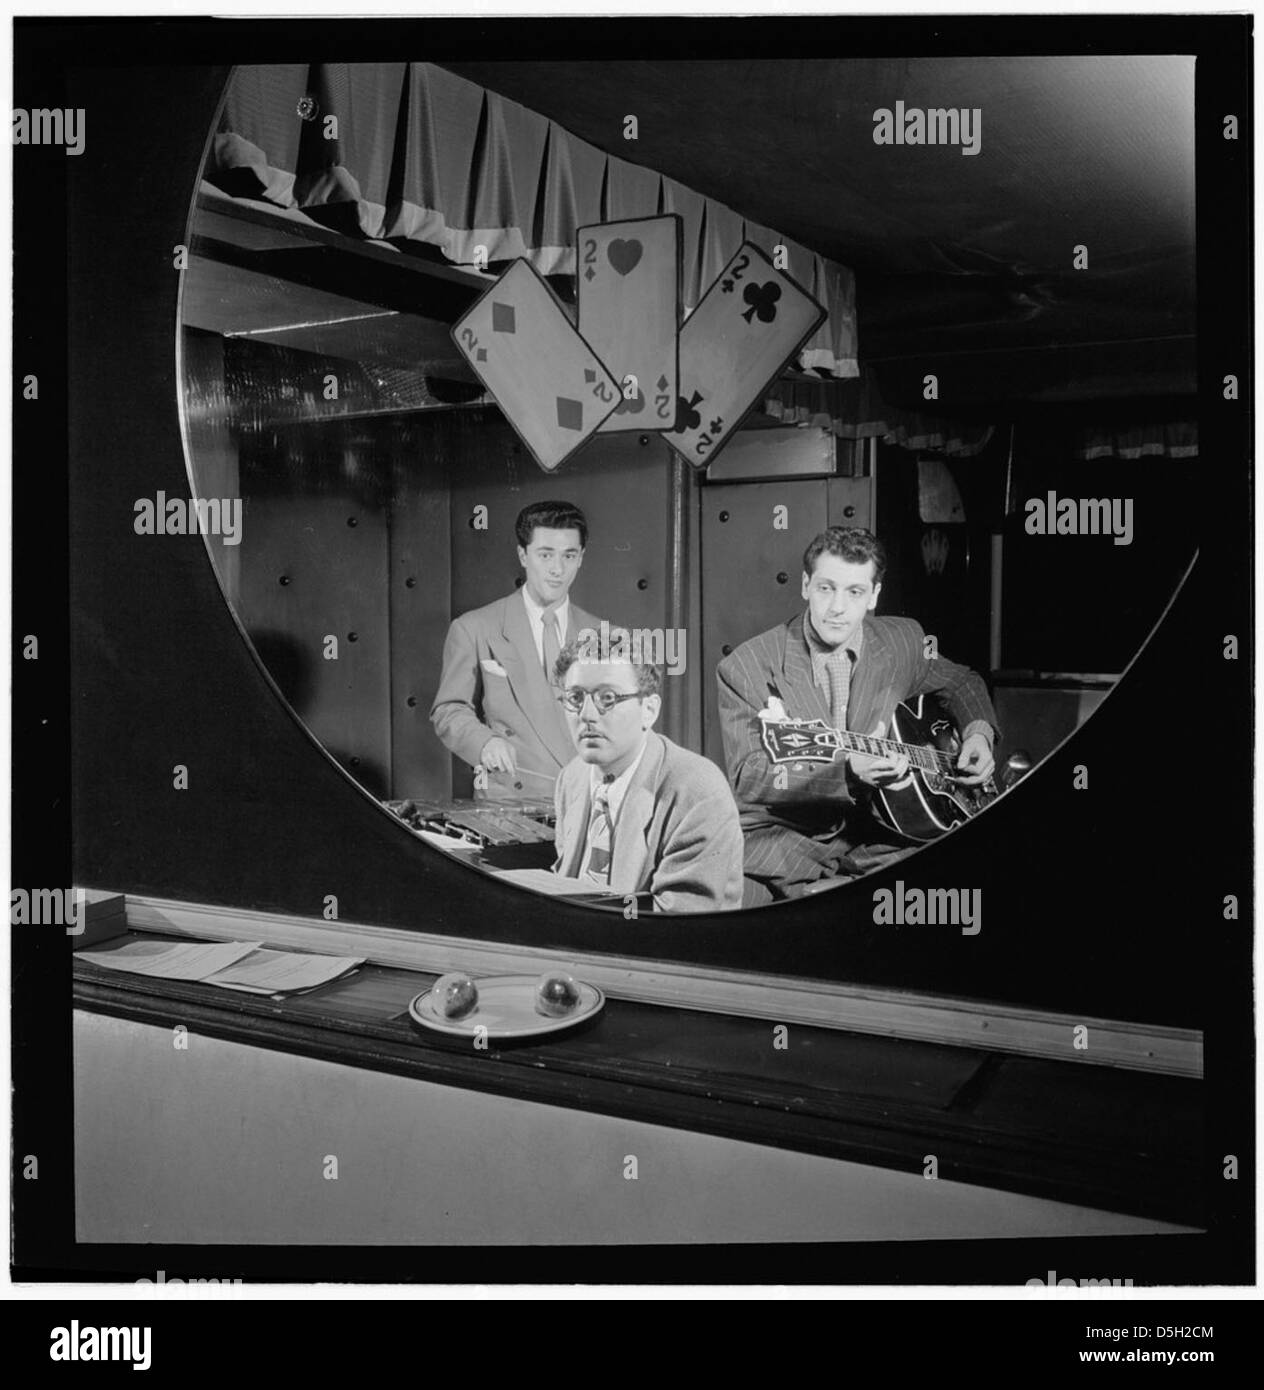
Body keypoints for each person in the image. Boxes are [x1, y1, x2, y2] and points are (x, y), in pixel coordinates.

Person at [716, 526, 999, 905]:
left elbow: (962, 683)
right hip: (789, 838)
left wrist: (978, 734)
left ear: (874, 596)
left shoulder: (901, 642)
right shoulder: (747, 666)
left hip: (884, 833)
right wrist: (846, 771)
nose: (837, 608)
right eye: (825, 588)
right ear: (805, 586)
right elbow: (748, 775)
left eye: (855, 592)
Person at [552, 639, 744, 913]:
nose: (587, 715)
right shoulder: (572, 778)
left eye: (608, 698)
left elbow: (672, 926)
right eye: (575, 698)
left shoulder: (698, 791)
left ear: (649, 710)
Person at [431, 500, 602, 802]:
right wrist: (484, 743)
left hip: (587, 802)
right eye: (545, 555)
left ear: (582, 558)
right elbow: (448, 710)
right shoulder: (475, 627)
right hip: (508, 802)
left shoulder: (604, 635)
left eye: (569, 555)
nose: (557, 569)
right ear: (523, 555)